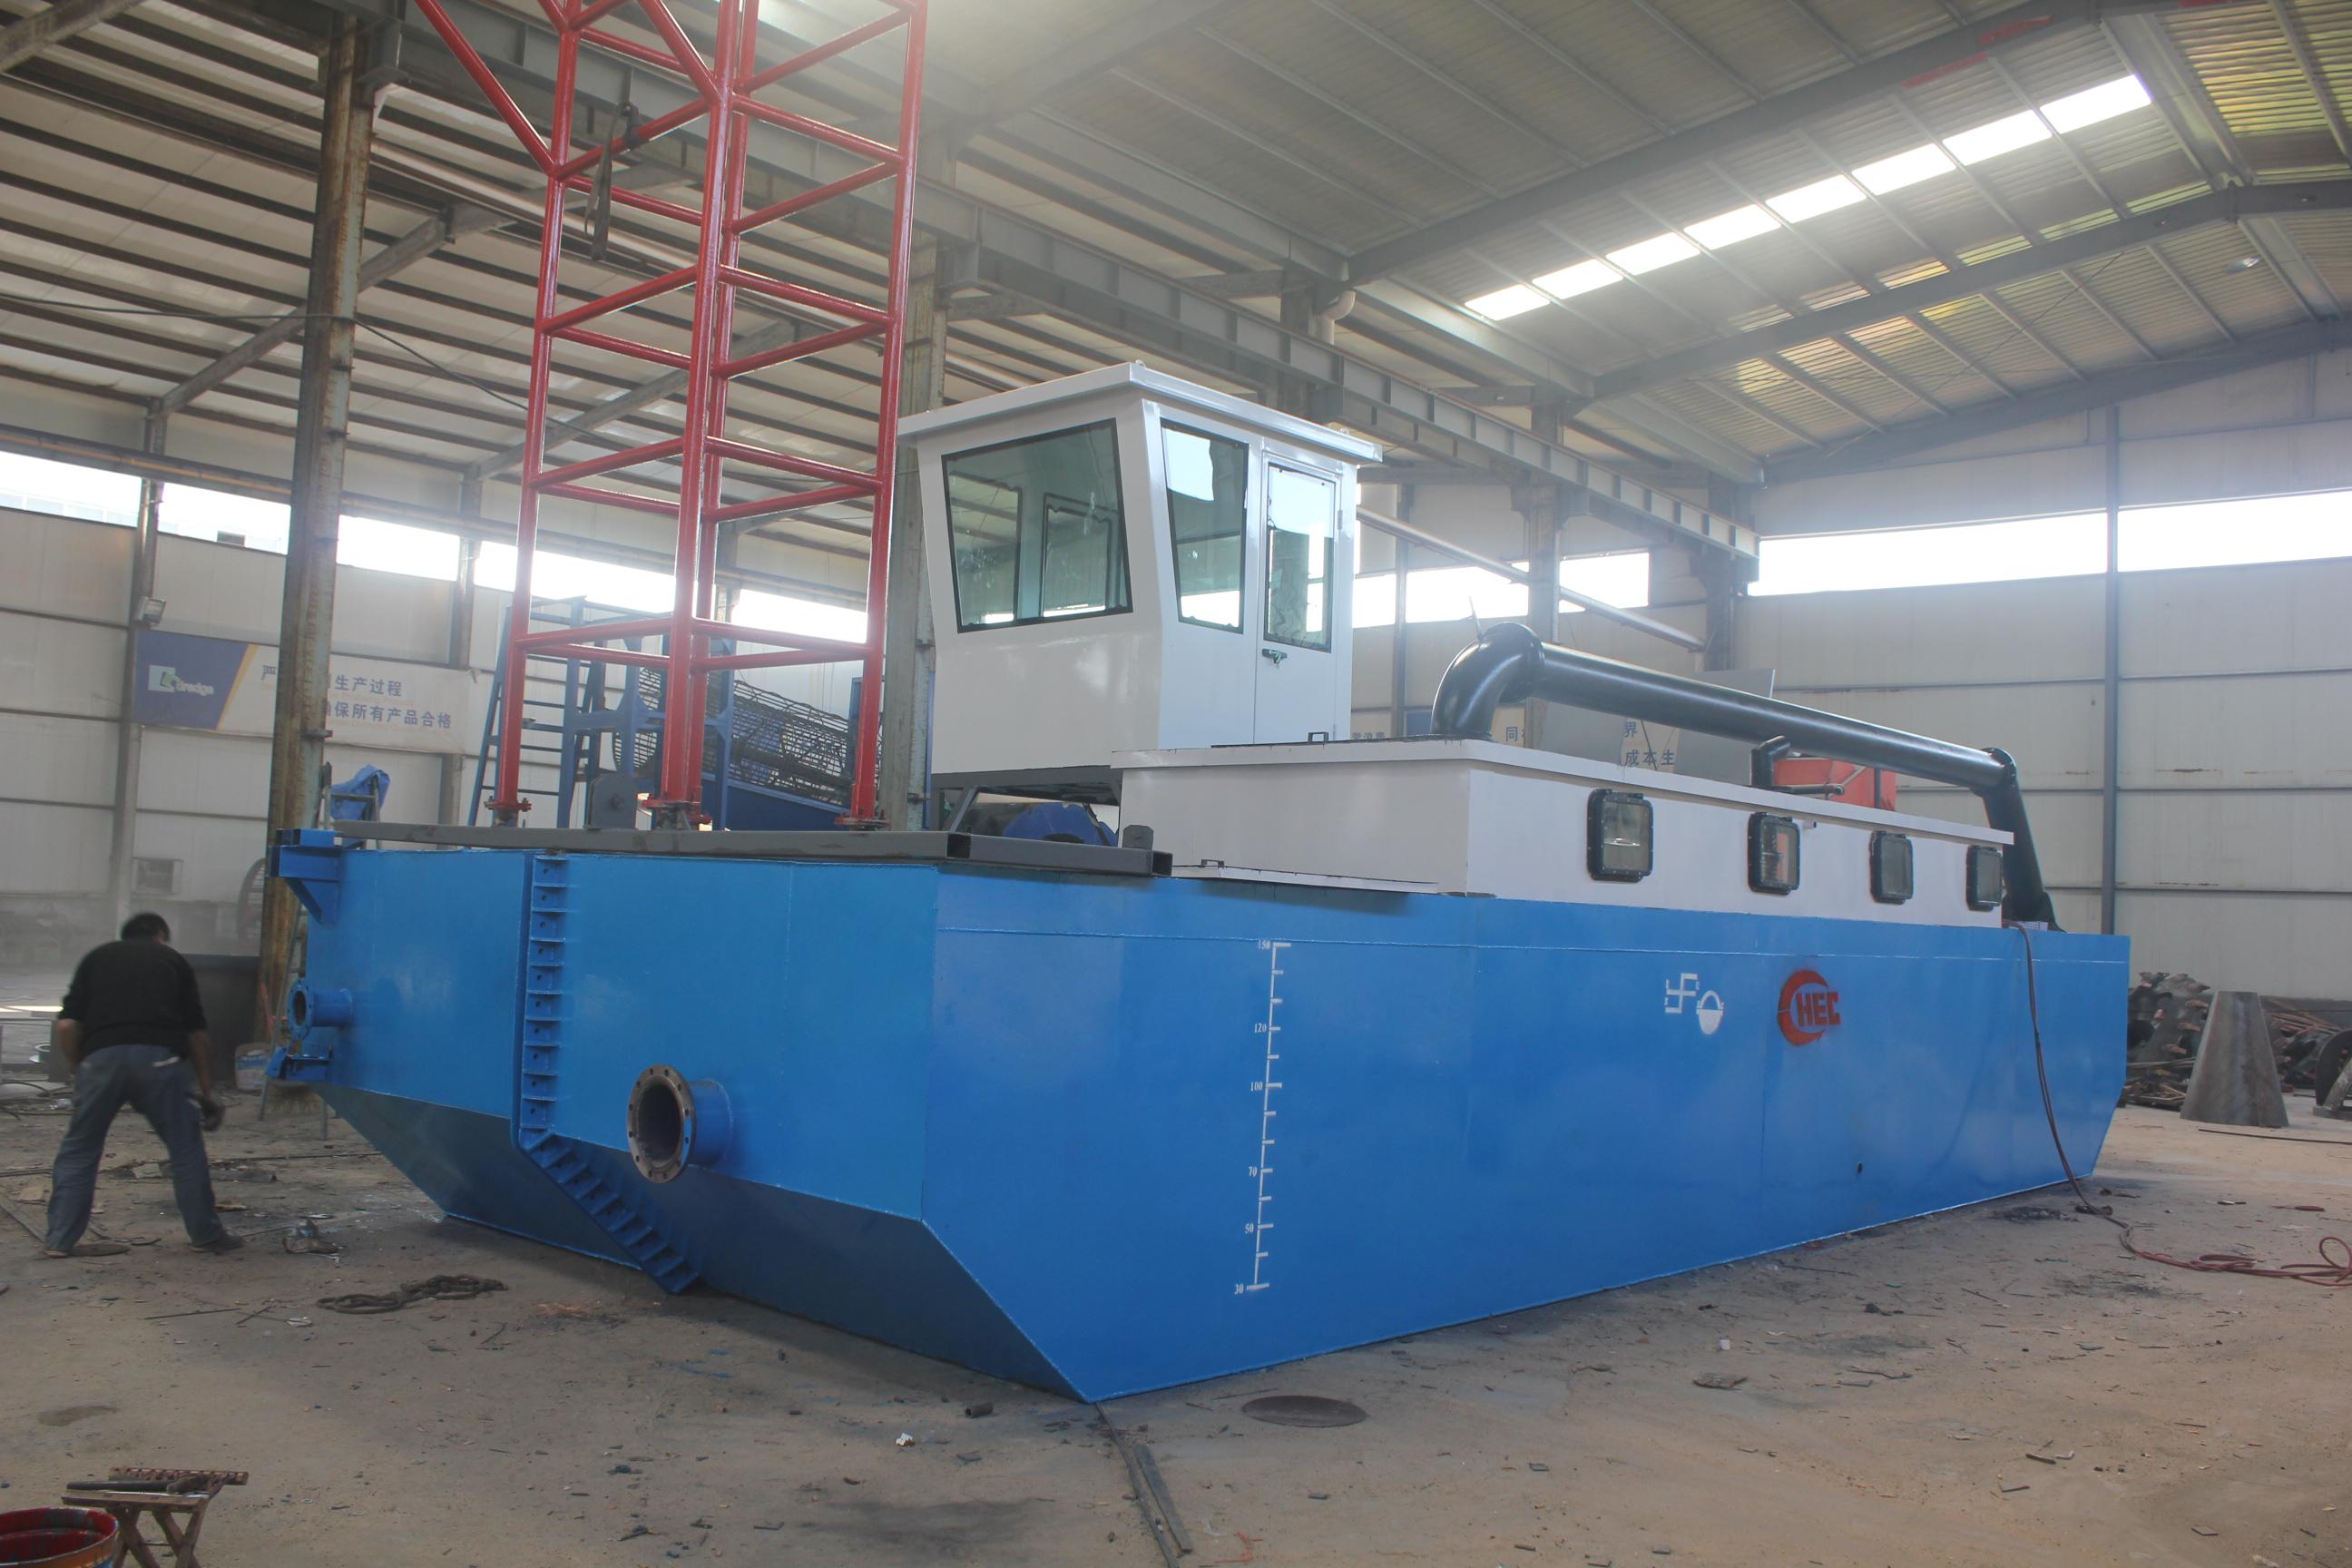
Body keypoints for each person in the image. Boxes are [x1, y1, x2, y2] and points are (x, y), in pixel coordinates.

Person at [43, 913, 240, 1257]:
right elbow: (196, 1035)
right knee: (185, 1149)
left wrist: (79, 1068)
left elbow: (66, 1026)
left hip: (100, 1060)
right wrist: (207, 1092)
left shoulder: (96, 957)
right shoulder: (172, 960)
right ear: (160, 936)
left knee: (80, 1149)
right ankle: (206, 1236)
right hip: (159, 1061)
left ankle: (59, 1241)